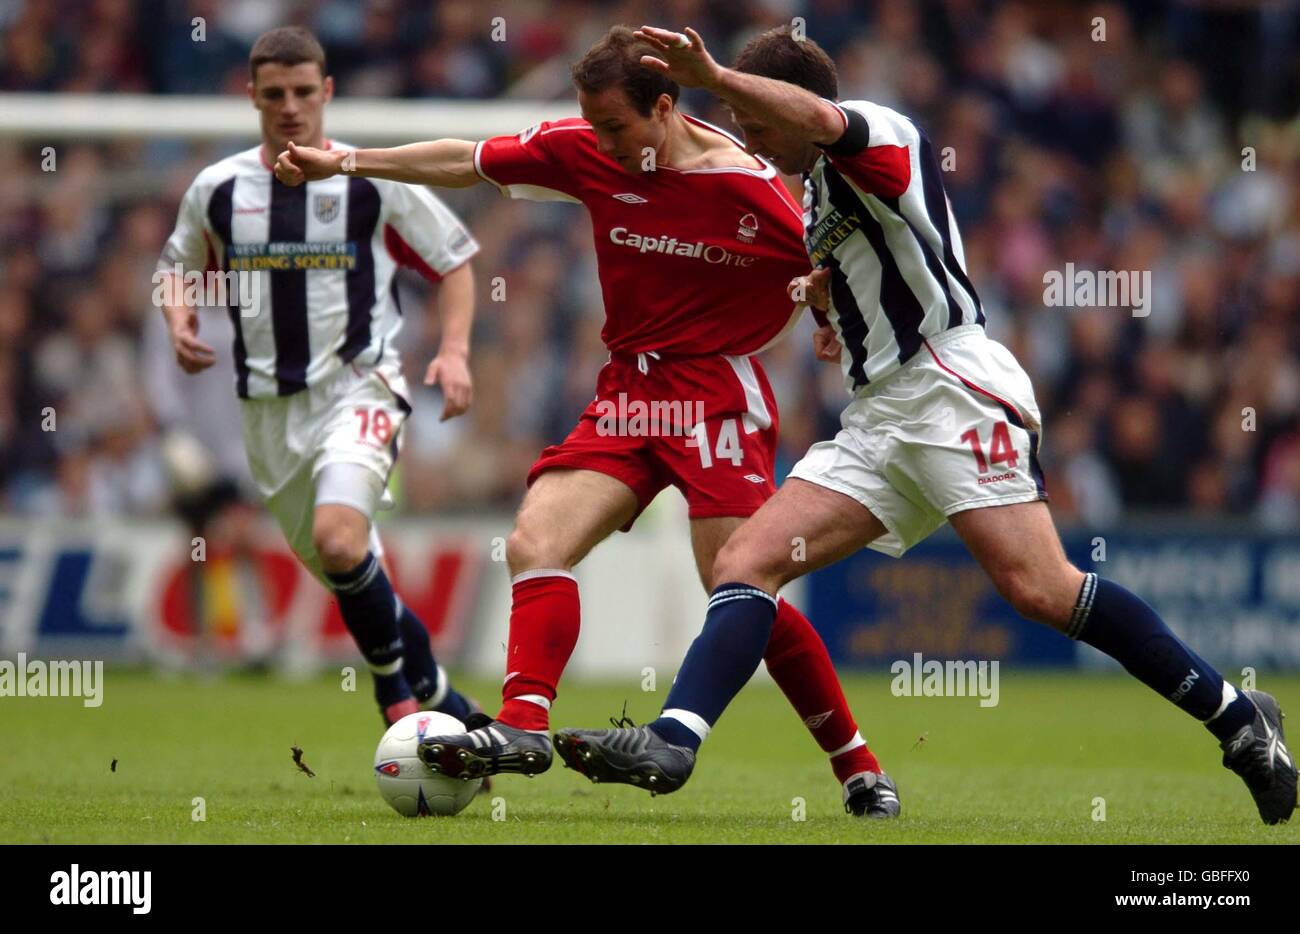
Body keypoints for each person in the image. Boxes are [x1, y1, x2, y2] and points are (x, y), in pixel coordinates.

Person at [553, 24, 1297, 826]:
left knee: (1039, 589)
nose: (750, 139)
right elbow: (867, 273)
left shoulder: (880, 131)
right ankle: (674, 741)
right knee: (747, 559)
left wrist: (717, 75)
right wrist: (830, 303)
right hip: (878, 417)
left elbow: (820, 120)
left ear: (794, 104)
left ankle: (1235, 716)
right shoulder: (813, 195)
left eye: (757, 123)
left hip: (950, 387)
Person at [276, 25, 899, 818]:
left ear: (665, 108)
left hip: (716, 398)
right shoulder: (583, 151)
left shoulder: (753, 192)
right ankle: (522, 725)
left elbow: (848, 265)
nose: (601, 143)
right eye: (593, 125)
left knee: (742, 585)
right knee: (537, 541)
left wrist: (828, 309)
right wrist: (353, 162)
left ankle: (859, 769)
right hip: (629, 392)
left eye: (616, 128)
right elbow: (466, 159)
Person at [158, 26, 480, 726]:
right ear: (252, 97)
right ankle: (447, 706)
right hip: (268, 420)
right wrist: (178, 318)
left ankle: (395, 696)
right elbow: (175, 267)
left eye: (304, 92)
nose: (290, 107)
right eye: (274, 94)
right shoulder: (217, 190)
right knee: (359, 575)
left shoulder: (369, 180)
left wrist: (453, 352)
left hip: (358, 389)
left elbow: (454, 261)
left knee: (341, 540)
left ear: (327, 92)